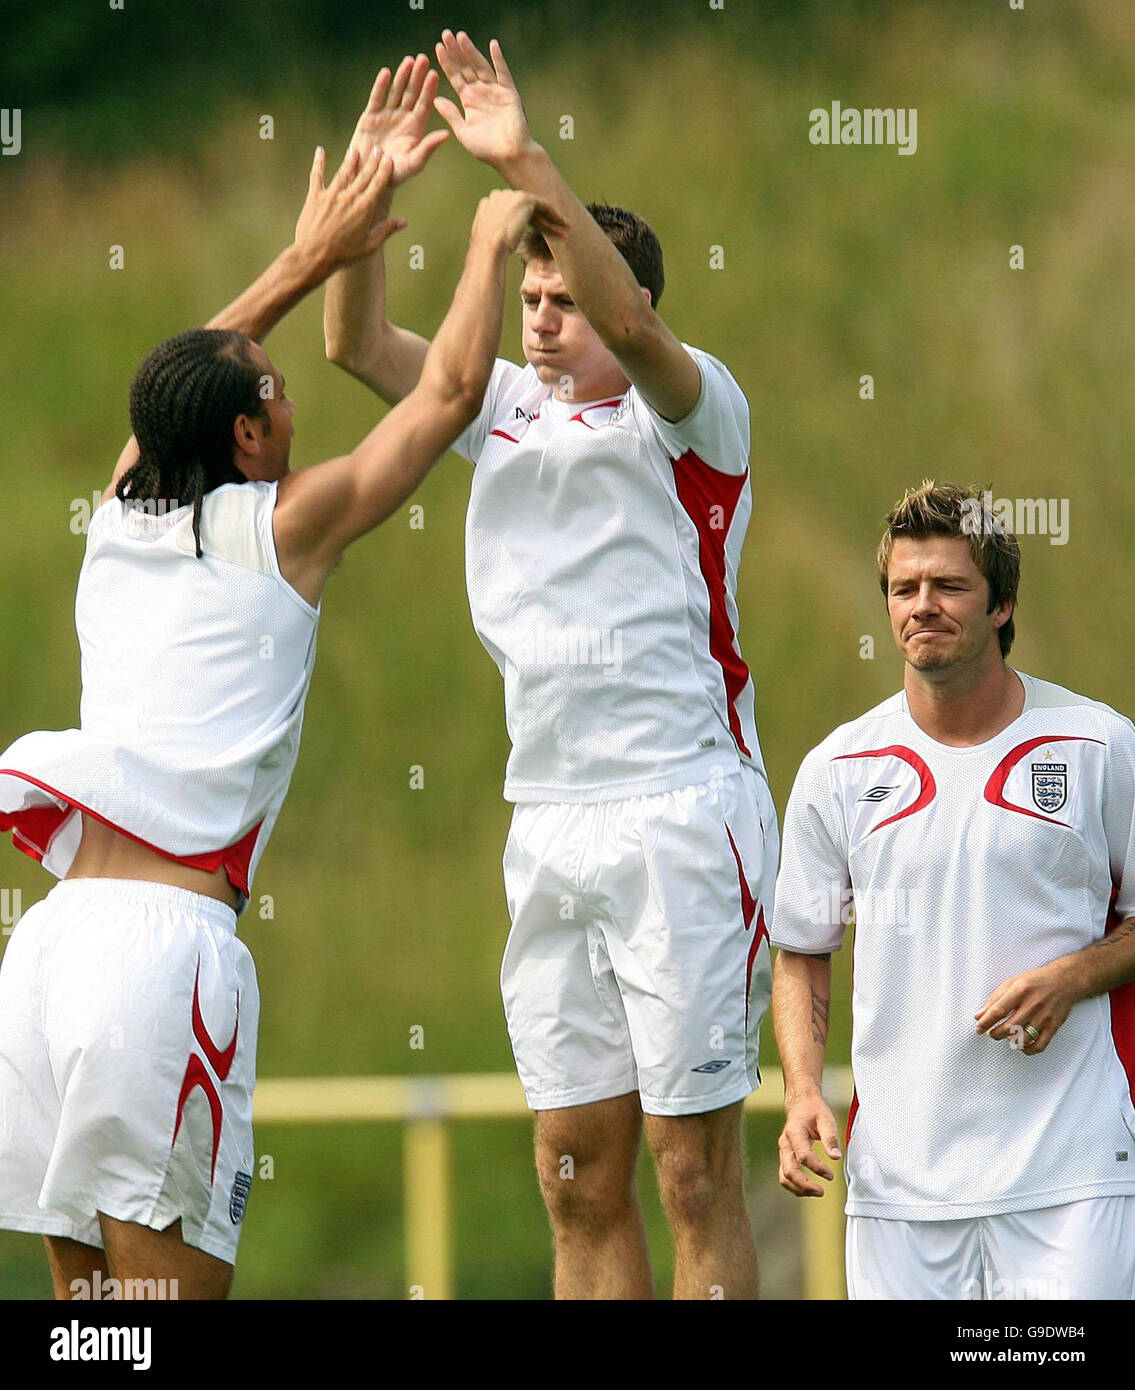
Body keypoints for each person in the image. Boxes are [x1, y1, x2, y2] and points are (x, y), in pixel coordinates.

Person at [0, 130, 560, 1299]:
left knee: (89, 1316)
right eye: (278, 391)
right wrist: (487, 241)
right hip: (161, 959)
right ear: (249, 438)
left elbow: (174, 389)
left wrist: (308, 257)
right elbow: (455, 391)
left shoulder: (114, 516)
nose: (291, 394)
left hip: (48, 951)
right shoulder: (281, 530)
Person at [326, 38, 778, 1299]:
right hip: (551, 819)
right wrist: (365, 210)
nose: (541, 314)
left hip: (681, 810)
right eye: (530, 294)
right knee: (575, 1170)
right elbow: (357, 346)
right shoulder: (501, 407)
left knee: (691, 1176)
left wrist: (522, 160)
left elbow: (632, 322)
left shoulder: (692, 412)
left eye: (561, 296)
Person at [771, 480, 1135, 1300]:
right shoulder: (838, 771)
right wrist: (800, 1094)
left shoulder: (1097, 746)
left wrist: (1073, 976)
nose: (922, 606)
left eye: (948, 586)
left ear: (1001, 604)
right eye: (905, 588)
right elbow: (800, 950)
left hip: (1068, 1175)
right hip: (899, 1190)